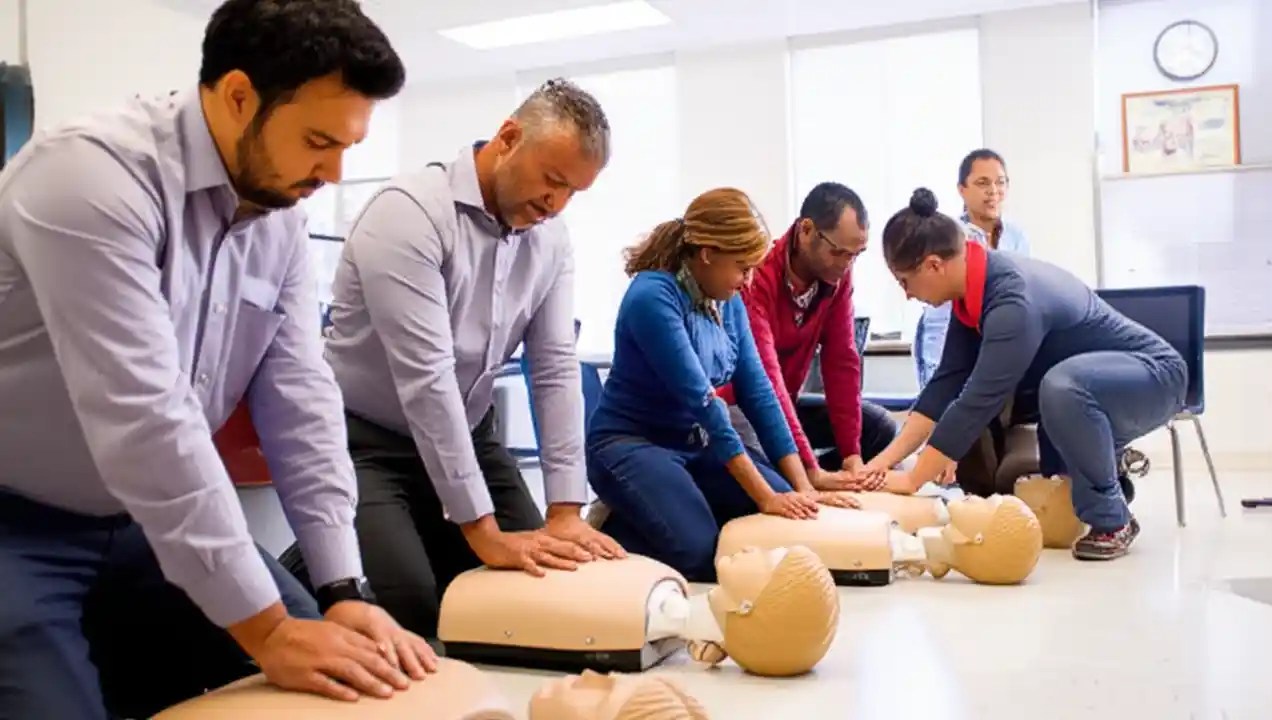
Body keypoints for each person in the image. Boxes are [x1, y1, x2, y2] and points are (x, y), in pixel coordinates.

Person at [0, 2, 432, 718]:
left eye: (349, 144)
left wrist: (341, 590)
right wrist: (268, 632)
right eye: (319, 140)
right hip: (16, 522)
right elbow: (146, 420)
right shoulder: (88, 178)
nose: (333, 171)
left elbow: (301, 399)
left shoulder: (279, 219)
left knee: (343, 689)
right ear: (237, 97)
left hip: (141, 523)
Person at [320, 78, 625, 641]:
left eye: (573, 192)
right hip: (367, 442)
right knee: (411, 606)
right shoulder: (409, 215)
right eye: (552, 180)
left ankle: (408, 537)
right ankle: (316, 566)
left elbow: (555, 367)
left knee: (533, 585)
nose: (556, 204)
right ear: (508, 138)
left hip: (470, 434)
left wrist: (563, 508)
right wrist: (482, 531)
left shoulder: (550, 238)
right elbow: (427, 381)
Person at [863, 188, 1187, 561]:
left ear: (934, 264)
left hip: (1154, 376)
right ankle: (1107, 476)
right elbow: (945, 385)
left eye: (905, 281)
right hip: (1084, 391)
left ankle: (1113, 521)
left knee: (1062, 387)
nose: (906, 295)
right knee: (1060, 403)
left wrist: (911, 479)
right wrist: (882, 463)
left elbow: (978, 398)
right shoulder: (973, 289)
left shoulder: (1011, 299)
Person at [585, 188, 858, 582]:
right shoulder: (652, 297)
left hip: (693, 444)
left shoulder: (727, 300)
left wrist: (803, 485)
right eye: (742, 267)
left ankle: (677, 505)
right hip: (632, 445)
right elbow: (705, 404)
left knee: (787, 517)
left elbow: (759, 392)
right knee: (701, 552)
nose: (749, 281)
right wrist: (766, 497)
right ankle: (615, 521)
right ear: (708, 253)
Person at [718, 182, 898, 489]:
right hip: (744, 408)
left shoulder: (836, 276)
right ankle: (798, 480)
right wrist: (809, 469)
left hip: (787, 404)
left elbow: (842, 360)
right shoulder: (757, 275)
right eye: (838, 252)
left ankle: (816, 480)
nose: (846, 264)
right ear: (806, 231)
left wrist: (851, 455)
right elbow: (766, 381)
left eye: (856, 255)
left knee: (880, 427)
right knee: (763, 471)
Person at [914, 149, 1031, 387]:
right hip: (949, 345)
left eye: (1000, 183)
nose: (993, 191)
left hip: (998, 349)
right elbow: (938, 316)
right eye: (982, 183)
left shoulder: (1017, 237)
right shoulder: (947, 237)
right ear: (962, 189)